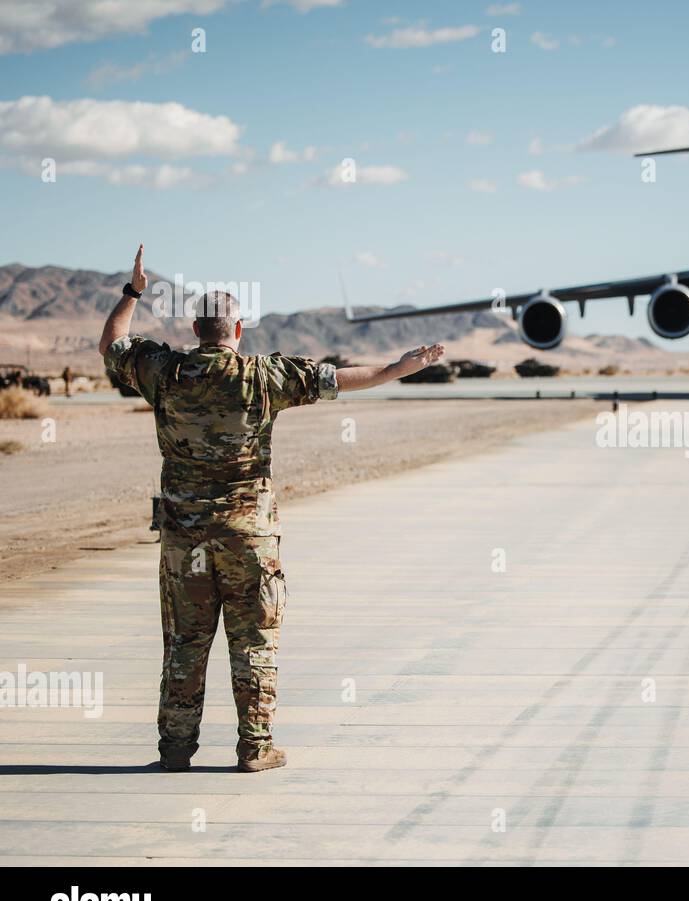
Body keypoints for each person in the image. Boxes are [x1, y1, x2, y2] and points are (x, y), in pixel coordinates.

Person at [98, 244, 443, 772]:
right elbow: (341, 378)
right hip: (248, 537)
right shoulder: (264, 376)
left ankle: (174, 751)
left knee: (186, 642)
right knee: (254, 640)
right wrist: (401, 366)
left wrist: (134, 291)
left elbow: (111, 343)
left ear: (195, 331)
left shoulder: (162, 371)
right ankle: (255, 748)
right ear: (238, 332)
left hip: (184, 539)